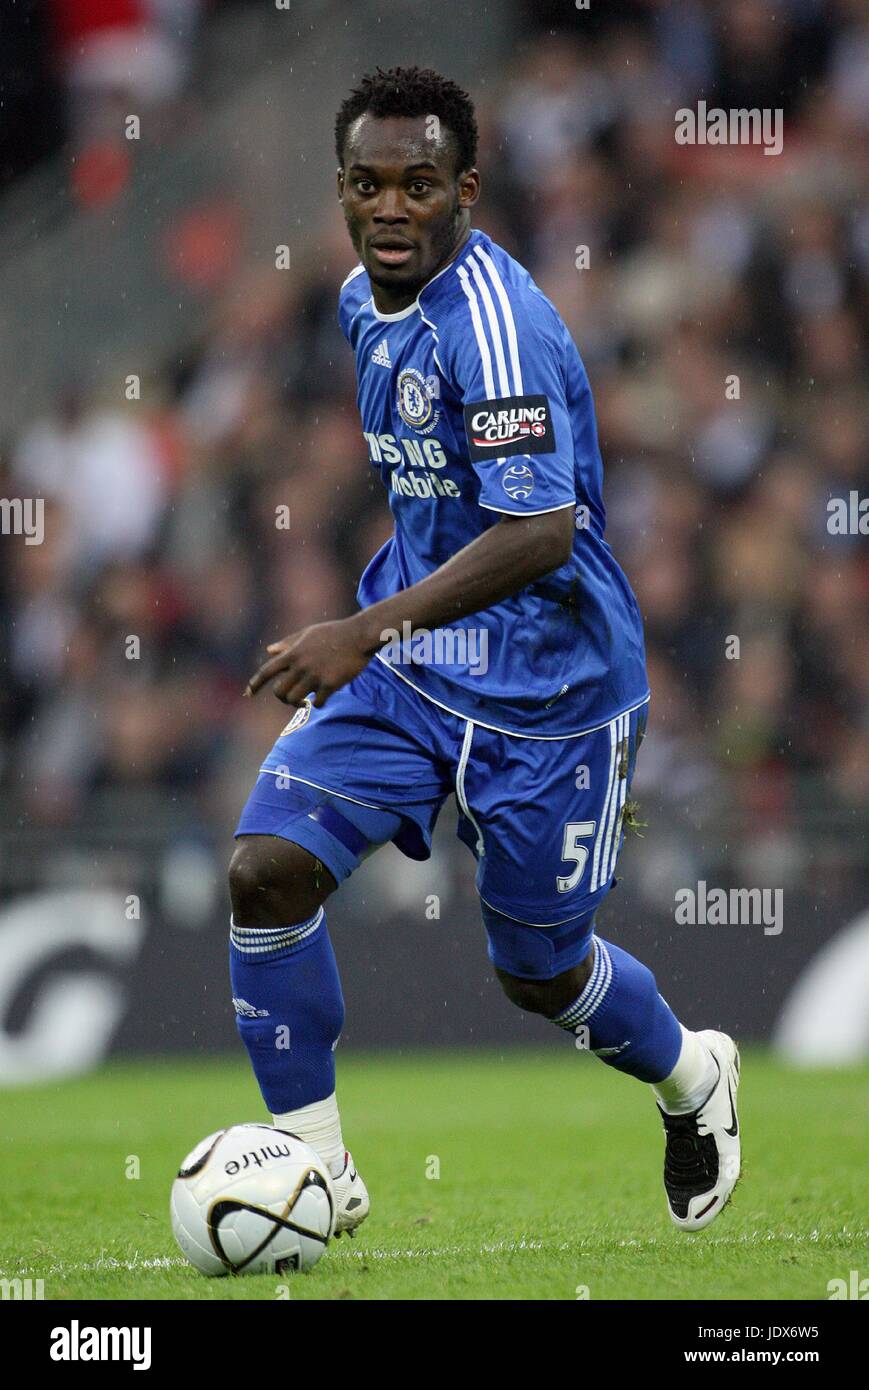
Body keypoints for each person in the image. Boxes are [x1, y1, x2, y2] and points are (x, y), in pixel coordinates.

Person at [229, 66, 740, 1236]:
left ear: (465, 187)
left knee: (538, 973)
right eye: (367, 184)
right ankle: (316, 1170)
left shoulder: (497, 328)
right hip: (414, 664)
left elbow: (540, 530)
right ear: (343, 192)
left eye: (418, 184)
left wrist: (357, 629)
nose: (390, 207)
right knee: (264, 871)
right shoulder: (361, 298)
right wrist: (383, 621)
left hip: (550, 692)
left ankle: (690, 1077)